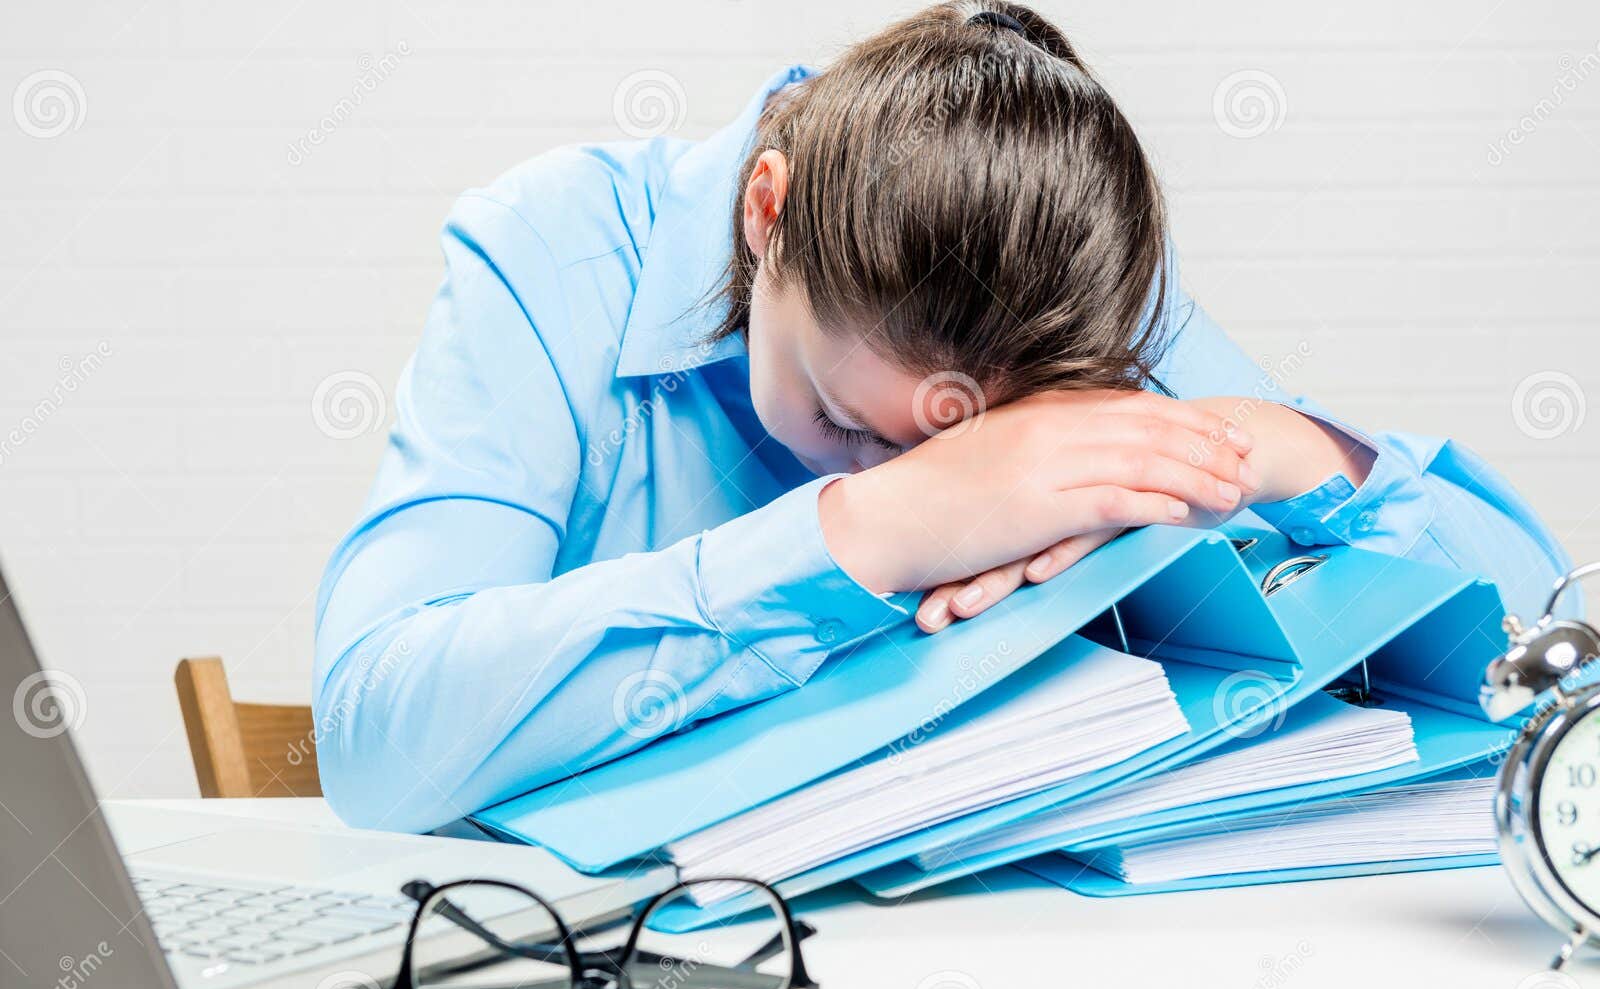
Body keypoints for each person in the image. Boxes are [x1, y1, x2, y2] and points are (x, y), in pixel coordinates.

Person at [313, 1, 1568, 833]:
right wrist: (866, 529)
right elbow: (374, 740)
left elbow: (1544, 645)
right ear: (767, 212)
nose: (907, 463)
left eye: (964, 440)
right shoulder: (554, 248)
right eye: (839, 416)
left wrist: (1274, 449)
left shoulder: (1068, 290)